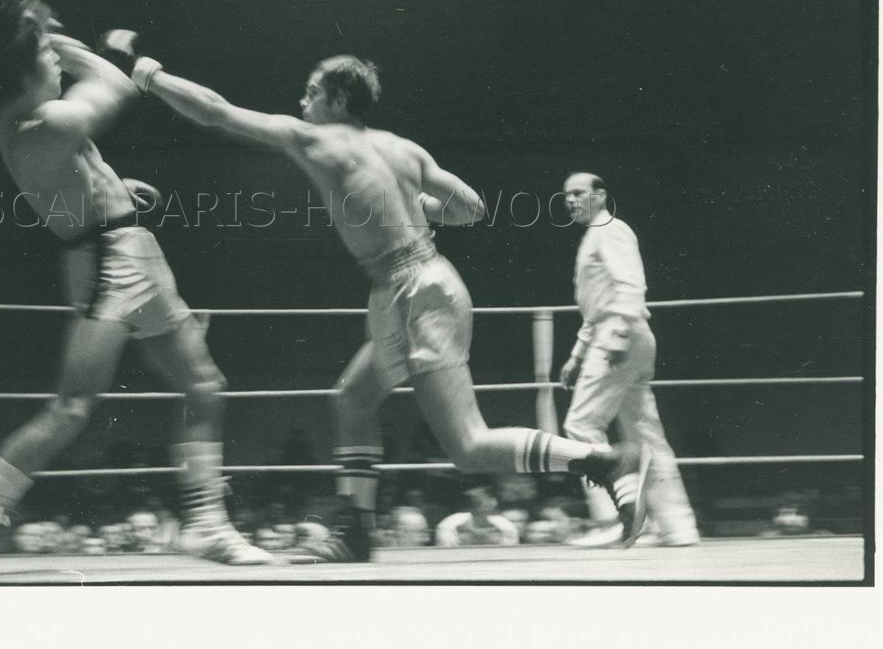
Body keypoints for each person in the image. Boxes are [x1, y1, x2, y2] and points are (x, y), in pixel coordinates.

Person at [98, 33, 652, 562]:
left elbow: (216, 111)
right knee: (352, 400)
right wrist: (409, 212)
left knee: (467, 444)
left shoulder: (316, 138)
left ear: (337, 99)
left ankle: (602, 459)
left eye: (312, 90)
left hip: (419, 293)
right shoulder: (402, 149)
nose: (302, 98)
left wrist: (145, 72)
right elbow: (471, 208)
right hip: (408, 286)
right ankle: (356, 530)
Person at [0, 0, 269, 575]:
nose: (56, 58)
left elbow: (73, 178)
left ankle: (208, 525)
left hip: (131, 249)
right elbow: (116, 83)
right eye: (45, 51)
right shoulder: (40, 121)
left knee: (205, 384)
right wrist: (71, 43)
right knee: (72, 408)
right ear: (20, 63)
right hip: (107, 264)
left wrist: (114, 191)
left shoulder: (38, 122)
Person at [559, 173, 701, 547]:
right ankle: (675, 525)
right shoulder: (599, 232)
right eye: (566, 196)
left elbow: (629, 284)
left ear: (600, 194)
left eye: (578, 193)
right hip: (623, 333)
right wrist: (577, 357)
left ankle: (614, 518)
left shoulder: (610, 229)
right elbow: (596, 305)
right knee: (645, 432)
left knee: (580, 425)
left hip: (620, 333)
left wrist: (618, 333)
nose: (570, 201)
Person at [435, 486, 520, 547]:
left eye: (490, 503)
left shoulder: (505, 526)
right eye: (476, 503)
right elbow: (448, 554)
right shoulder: (450, 525)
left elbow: (508, 555)